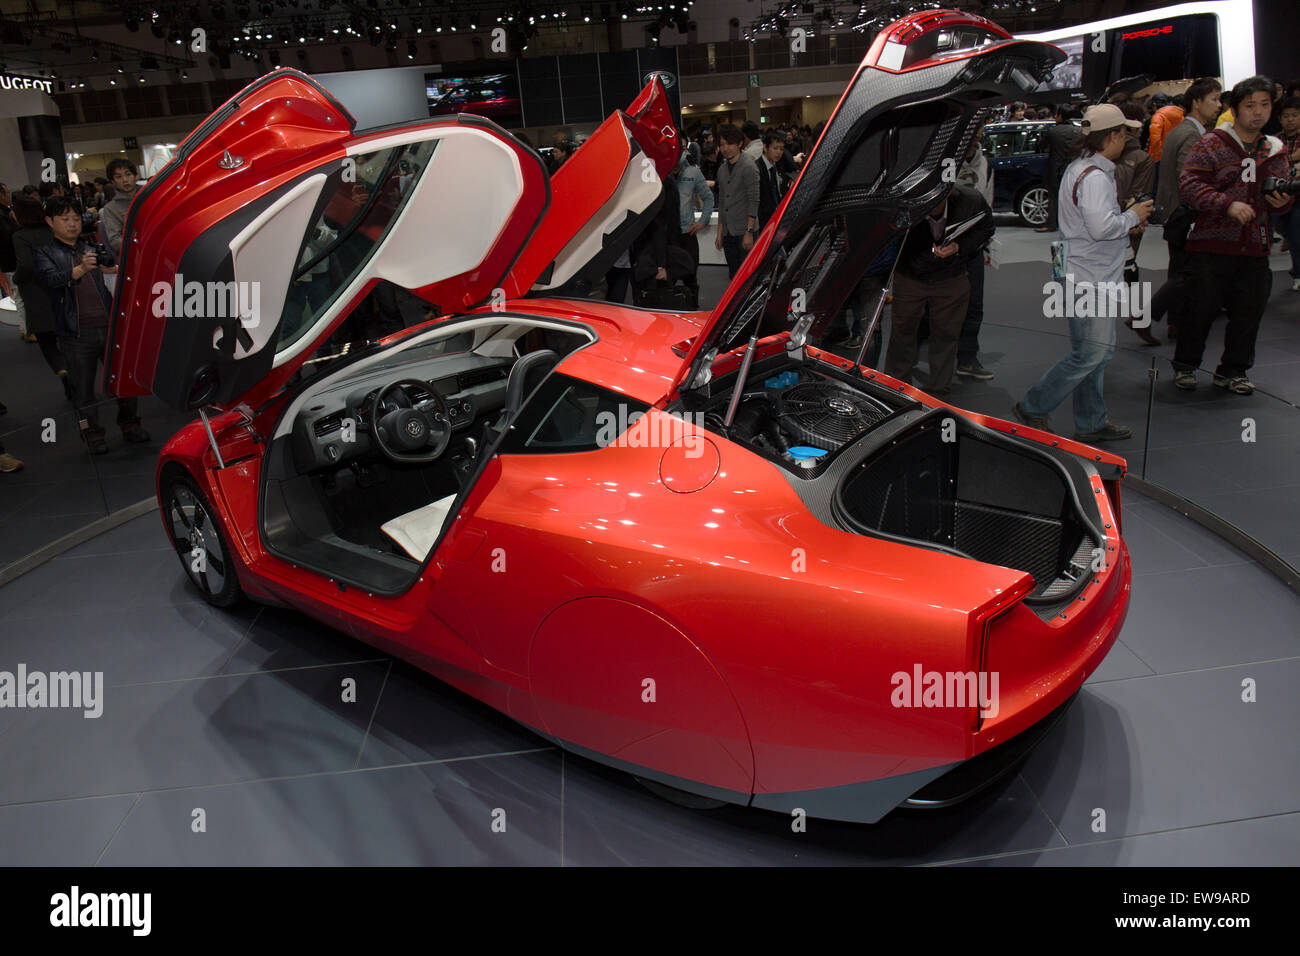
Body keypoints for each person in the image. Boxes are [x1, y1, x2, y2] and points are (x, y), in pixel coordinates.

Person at [1014, 104, 1153, 441]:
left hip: (1083, 271)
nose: (1128, 140)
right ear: (1113, 136)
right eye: (1125, 134)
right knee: (1092, 352)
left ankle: (1091, 421)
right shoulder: (1093, 177)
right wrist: (1133, 215)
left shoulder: (1083, 169)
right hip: (1088, 276)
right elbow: (1101, 228)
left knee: (1095, 353)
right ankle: (1033, 407)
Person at [1172, 76, 1294, 394]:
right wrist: (1226, 204)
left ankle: (1233, 370)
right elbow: (1190, 185)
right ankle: (1185, 365)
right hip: (1211, 245)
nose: (1258, 112)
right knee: (1200, 310)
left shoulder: (1274, 150)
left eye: (1265, 105)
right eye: (1250, 105)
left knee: (1248, 313)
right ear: (1235, 108)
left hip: (1255, 246)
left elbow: (1280, 195)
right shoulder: (1213, 143)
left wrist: (1283, 201)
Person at [35, 197, 149, 454]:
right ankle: (92, 433)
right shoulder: (45, 253)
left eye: (76, 218)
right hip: (75, 332)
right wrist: (80, 269)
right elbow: (51, 280)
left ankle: (130, 424)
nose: (72, 224)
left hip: (108, 324)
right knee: (83, 390)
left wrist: (107, 266)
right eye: (65, 219)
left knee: (123, 381)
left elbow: (108, 265)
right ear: (50, 222)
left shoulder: (89, 246)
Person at [884, 184, 994, 396]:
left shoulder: (970, 200)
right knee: (902, 332)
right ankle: (896, 386)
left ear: (949, 193)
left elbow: (986, 228)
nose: (931, 205)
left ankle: (939, 389)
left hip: (951, 276)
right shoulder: (903, 205)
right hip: (910, 275)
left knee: (947, 334)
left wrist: (959, 246)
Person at [1151, 78, 1223, 335]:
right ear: (1196, 102)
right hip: (1186, 214)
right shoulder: (1192, 134)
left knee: (1181, 268)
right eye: (1214, 99)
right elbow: (1189, 178)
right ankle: (1163, 317)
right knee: (1187, 270)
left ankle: (1172, 319)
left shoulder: (1180, 130)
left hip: (1175, 212)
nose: (1218, 105)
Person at [10, 196, 69, 395]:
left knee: (47, 341)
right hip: (60, 287)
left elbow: (25, 265)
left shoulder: (20, 237)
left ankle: (64, 373)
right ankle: (74, 373)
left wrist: (16, 279)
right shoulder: (51, 231)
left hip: (36, 292)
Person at [954, 125, 996, 380]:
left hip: (974, 244)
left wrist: (987, 242)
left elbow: (988, 203)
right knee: (938, 305)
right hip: (943, 242)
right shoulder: (945, 162)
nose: (974, 141)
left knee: (974, 305)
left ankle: (967, 357)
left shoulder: (985, 165)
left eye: (977, 136)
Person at [1115, 102, 1157, 344]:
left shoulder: (1099, 155)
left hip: (1105, 223)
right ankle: (1139, 318)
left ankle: (1138, 317)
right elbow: (1140, 197)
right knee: (1129, 270)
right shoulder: (1142, 158)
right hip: (1128, 223)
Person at [713, 124, 759, 277]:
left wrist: (749, 231)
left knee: (747, 277)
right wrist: (719, 233)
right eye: (722, 144)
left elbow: (754, 200)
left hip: (744, 231)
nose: (726, 148)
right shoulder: (722, 169)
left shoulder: (748, 166)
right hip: (728, 232)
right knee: (733, 275)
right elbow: (721, 203)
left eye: (730, 143)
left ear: (740, 144)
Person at [1038, 106, 1082, 232]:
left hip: (1055, 168)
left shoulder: (1053, 132)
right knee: (1073, 197)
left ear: (1060, 116)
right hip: (1073, 167)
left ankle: (1051, 223)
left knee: (1053, 197)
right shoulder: (1077, 131)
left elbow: (1041, 145)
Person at [1272, 96, 1300, 288]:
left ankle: (1298, 273)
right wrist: (1292, 158)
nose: (1290, 119)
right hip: (1280, 194)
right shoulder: (1274, 140)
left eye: (1295, 115)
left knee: (1296, 233)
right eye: (1286, 116)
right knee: (1286, 231)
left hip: (1298, 195)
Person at [675, 152, 714, 272]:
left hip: (687, 232)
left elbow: (708, 197)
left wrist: (703, 221)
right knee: (667, 282)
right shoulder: (660, 171)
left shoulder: (693, 172)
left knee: (690, 275)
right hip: (667, 234)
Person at [101, 158, 139, 258]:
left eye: (128, 174)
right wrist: (140, 247)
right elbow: (115, 239)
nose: (125, 180)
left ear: (135, 176)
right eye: (118, 177)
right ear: (112, 181)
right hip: (136, 256)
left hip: (165, 250)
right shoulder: (111, 208)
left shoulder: (152, 195)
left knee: (178, 274)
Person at [755, 131, 788, 231]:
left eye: (781, 149)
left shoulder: (774, 166)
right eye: (775, 148)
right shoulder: (757, 168)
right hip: (761, 223)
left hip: (773, 221)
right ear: (765, 147)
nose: (778, 152)